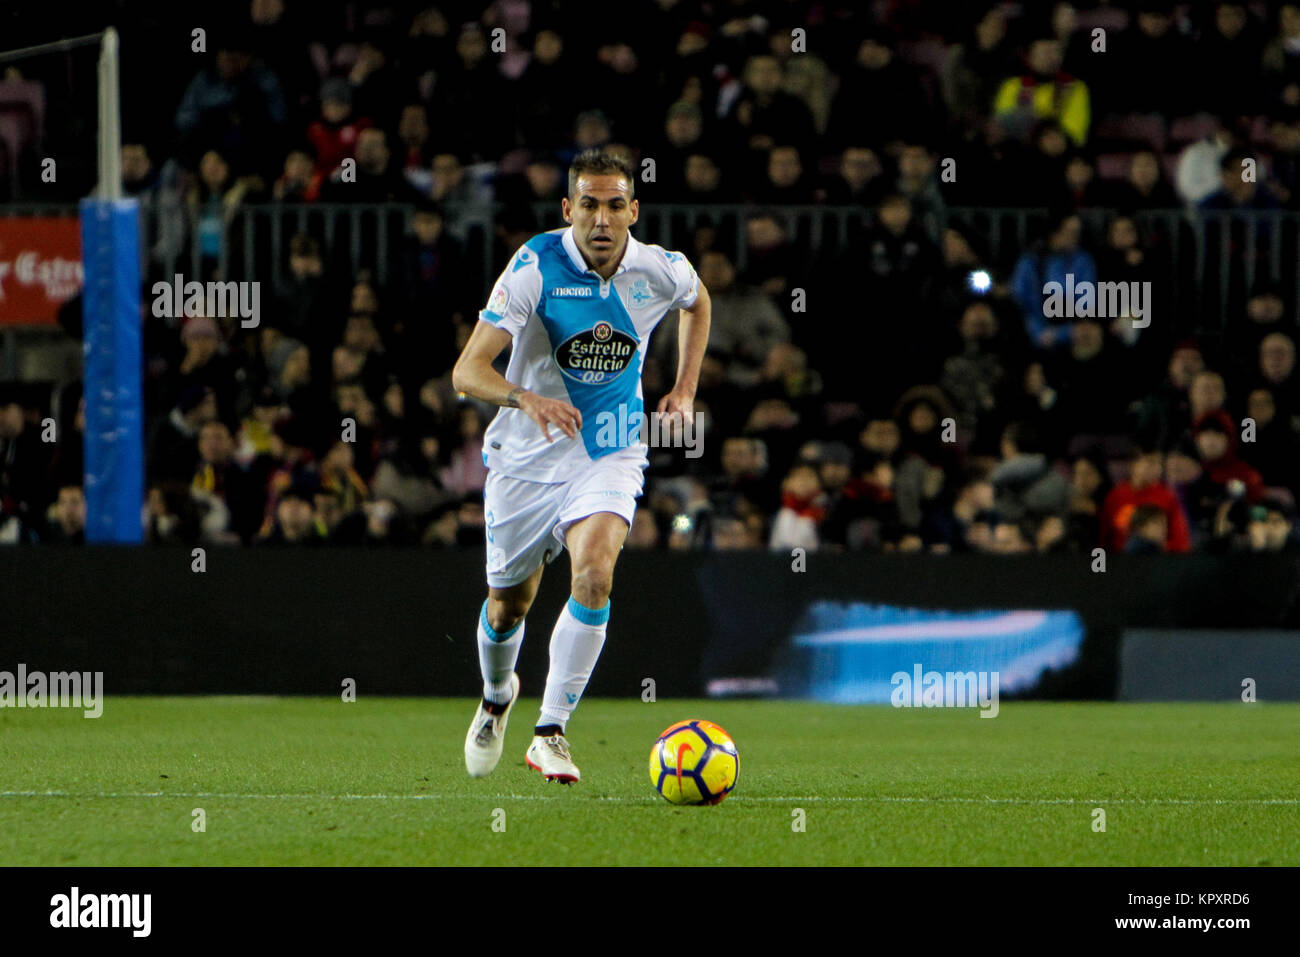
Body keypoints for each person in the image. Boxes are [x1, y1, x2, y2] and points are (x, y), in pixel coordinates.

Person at [452, 150, 710, 784]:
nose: (602, 218)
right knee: (508, 605)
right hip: (526, 456)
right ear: (568, 209)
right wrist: (527, 397)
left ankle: (550, 731)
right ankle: (496, 696)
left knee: (594, 575)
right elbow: (466, 372)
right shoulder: (534, 266)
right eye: (589, 205)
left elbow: (698, 302)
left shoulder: (658, 269)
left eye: (615, 205)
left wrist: (685, 387)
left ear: (633, 211)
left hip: (610, 449)